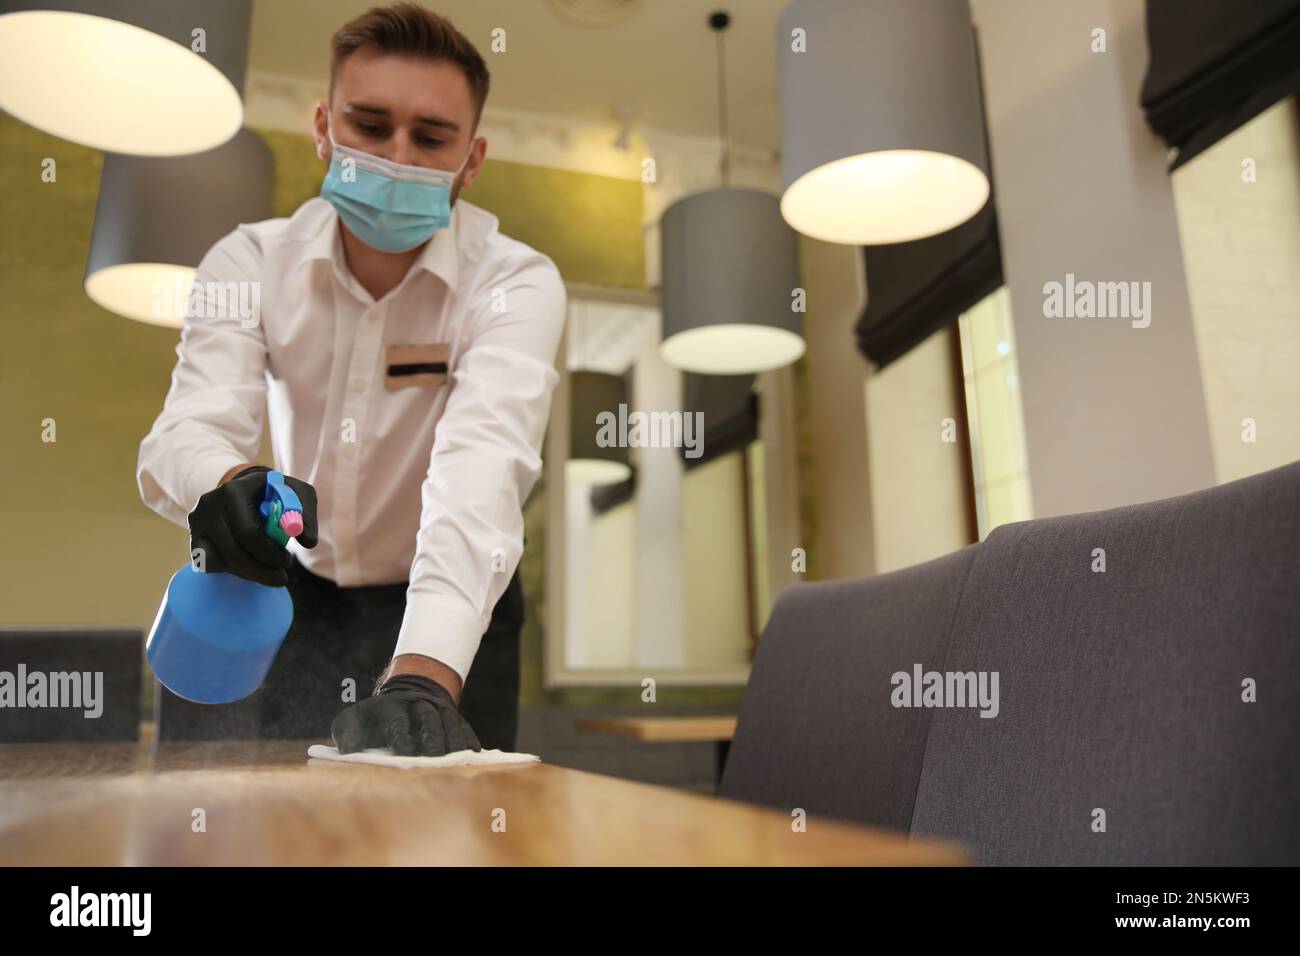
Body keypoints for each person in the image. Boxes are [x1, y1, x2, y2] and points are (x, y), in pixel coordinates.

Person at [136, 3, 564, 756]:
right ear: (323, 128)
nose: (398, 156)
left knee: (457, 831)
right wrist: (232, 482)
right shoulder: (249, 263)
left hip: (454, 605)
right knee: (288, 819)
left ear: (472, 159)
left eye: (431, 137)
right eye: (369, 126)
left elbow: (483, 472)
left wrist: (425, 675)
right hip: (300, 593)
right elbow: (186, 429)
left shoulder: (515, 283)